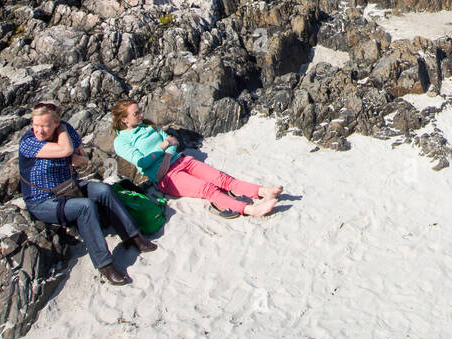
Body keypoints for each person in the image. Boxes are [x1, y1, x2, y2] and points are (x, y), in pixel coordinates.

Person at [18, 102, 156, 286]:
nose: (39, 131)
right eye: (35, 125)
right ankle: (105, 264)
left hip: (68, 187)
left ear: (56, 124)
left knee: (104, 190)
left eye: (45, 125)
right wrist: (68, 152)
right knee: (86, 207)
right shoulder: (28, 142)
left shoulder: (65, 132)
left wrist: (74, 151)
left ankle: (133, 236)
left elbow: (82, 159)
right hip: (43, 201)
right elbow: (66, 150)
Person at [111, 98, 280, 217]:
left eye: (140, 111)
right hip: (167, 177)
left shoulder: (147, 126)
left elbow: (173, 141)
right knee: (208, 189)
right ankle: (250, 210)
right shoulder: (121, 142)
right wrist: (163, 147)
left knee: (222, 178)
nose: (141, 114)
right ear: (124, 120)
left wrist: (166, 155)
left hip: (178, 160)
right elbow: (143, 161)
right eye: (136, 113)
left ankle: (262, 191)